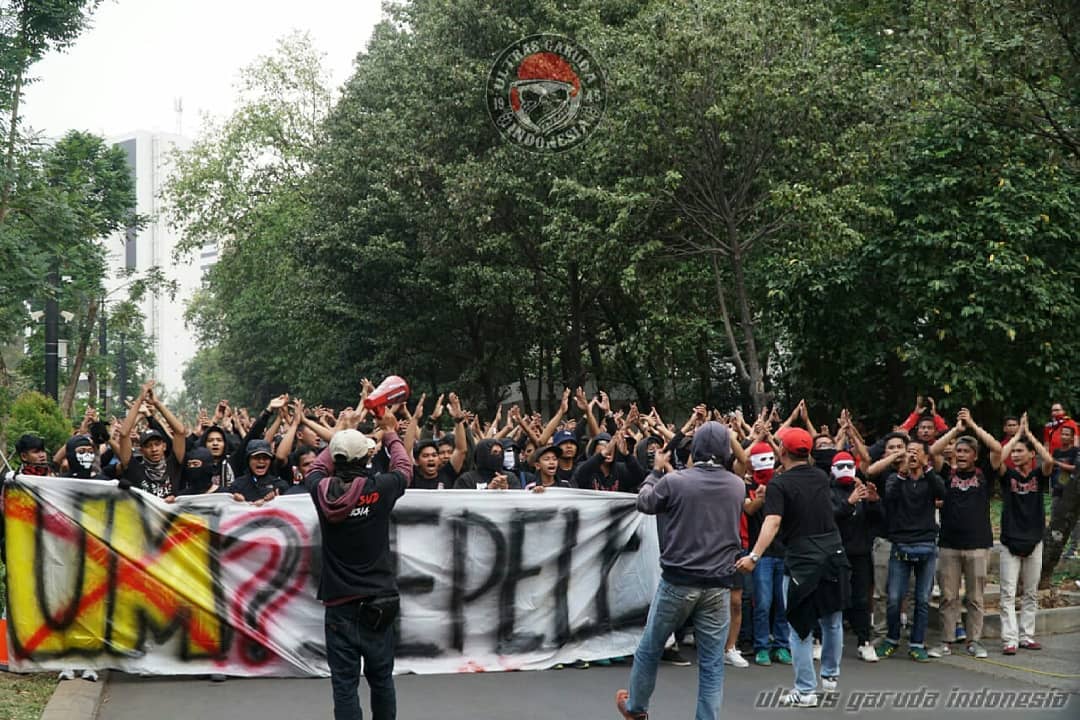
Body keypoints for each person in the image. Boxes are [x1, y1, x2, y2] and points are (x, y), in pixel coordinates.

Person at [616, 421, 745, 720]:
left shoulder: (677, 482)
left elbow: (645, 503)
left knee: (650, 647)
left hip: (678, 581)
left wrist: (656, 471)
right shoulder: (736, 485)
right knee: (712, 663)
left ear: (695, 448)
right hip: (718, 584)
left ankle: (636, 708)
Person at [735, 427, 850, 709]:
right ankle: (830, 675)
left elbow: (772, 522)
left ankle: (805, 689)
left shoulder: (779, 484)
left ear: (781, 452)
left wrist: (754, 556)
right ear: (808, 451)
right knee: (832, 618)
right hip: (833, 552)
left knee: (799, 626)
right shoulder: (822, 477)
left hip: (801, 558)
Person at [308, 412, 411, 720]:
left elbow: (315, 468)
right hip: (378, 601)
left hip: (339, 603)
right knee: (381, 680)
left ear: (337, 461)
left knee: (344, 684)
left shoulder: (321, 491)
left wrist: (341, 432)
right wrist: (390, 432)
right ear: (367, 457)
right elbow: (405, 468)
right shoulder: (381, 488)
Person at [926, 409, 998, 659]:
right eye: (958, 451)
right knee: (948, 596)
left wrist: (973, 425)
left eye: (966, 451)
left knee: (976, 597)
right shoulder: (947, 474)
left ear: (975, 456)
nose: (961, 455)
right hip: (949, 545)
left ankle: (974, 641)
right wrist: (957, 430)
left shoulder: (984, 474)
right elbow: (933, 451)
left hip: (978, 545)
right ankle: (946, 641)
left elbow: (998, 449)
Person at [876, 439, 946, 662]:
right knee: (895, 597)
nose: (912, 455)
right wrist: (903, 471)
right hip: (901, 544)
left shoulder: (930, 480)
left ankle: (917, 643)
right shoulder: (895, 479)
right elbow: (890, 497)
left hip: (926, 544)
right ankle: (892, 639)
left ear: (926, 457)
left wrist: (927, 468)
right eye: (909, 452)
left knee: (923, 599)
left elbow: (942, 492)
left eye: (917, 452)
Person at [998, 414, 1054, 655]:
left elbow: (1049, 459)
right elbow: (999, 457)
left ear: (1032, 454)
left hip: (1035, 540)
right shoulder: (1007, 476)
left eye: (1021, 451)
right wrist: (1016, 436)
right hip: (1010, 540)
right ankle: (1009, 639)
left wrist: (1028, 434)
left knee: (1030, 593)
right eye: (1014, 451)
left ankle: (1026, 636)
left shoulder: (1038, 477)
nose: (1016, 454)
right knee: (1008, 593)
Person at [828, 451, 881, 662]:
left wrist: (875, 501)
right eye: (839, 466)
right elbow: (829, 517)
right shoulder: (828, 491)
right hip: (835, 552)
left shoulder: (862, 490)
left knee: (860, 598)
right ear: (832, 469)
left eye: (848, 465)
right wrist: (848, 503)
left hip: (860, 552)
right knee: (832, 597)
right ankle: (823, 639)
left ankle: (864, 641)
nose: (845, 470)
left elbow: (879, 520)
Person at [743, 441, 791, 667]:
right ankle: (762, 646)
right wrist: (762, 496)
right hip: (759, 553)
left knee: (782, 603)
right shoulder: (746, 486)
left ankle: (781, 645)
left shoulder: (782, 484)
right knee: (762, 602)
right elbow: (748, 509)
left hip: (783, 552)